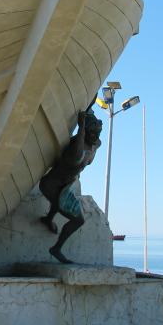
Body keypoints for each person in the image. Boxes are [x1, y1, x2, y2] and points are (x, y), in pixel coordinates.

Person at [37, 109, 103, 263]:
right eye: (92, 133)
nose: (96, 136)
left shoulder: (94, 145)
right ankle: (56, 248)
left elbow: (95, 141)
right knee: (77, 220)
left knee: (60, 201)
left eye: (98, 133)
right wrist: (80, 128)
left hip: (65, 186)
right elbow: (75, 157)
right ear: (85, 132)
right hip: (50, 185)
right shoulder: (77, 149)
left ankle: (48, 219)